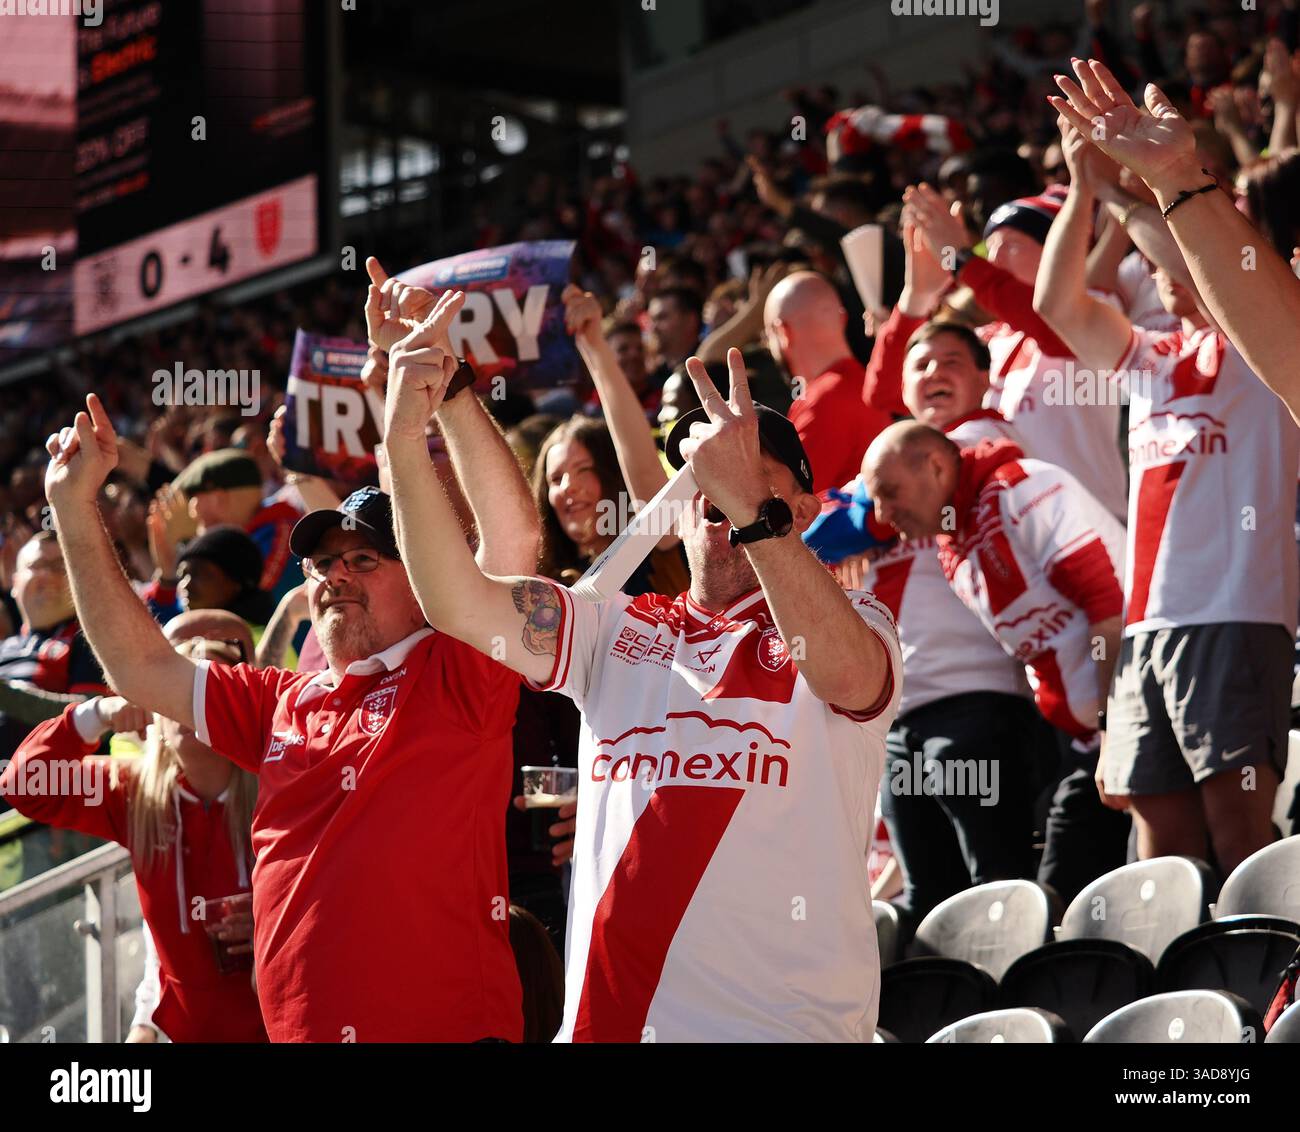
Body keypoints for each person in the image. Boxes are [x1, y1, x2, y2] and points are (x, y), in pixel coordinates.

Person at [40, 265, 538, 1041]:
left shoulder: (459, 669)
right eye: (323, 562)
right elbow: (140, 668)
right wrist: (74, 511)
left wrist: (451, 385)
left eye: (364, 560)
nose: (335, 575)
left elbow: (513, 544)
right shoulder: (280, 701)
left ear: (429, 579)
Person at [384, 316, 901, 1042]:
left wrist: (752, 506)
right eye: (704, 477)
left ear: (808, 508)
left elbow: (849, 677)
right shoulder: (616, 629)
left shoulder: (856, 618)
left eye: (748, 467)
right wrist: (419, 424)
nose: (718, 487)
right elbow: (458, 600)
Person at [1032, 97, 1297, 873]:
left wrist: (1129, 190)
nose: (1157, 276)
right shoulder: (1151, 356)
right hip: (1150, 627)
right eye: (1147, 269)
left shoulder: (1262, 333)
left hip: (1236, 610)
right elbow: (1057, 306)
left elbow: (1198, 260)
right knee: (1159, 854)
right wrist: (1084, 187)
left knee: (1240, 832)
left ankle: (1270, 981)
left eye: (1160, 262)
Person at [814, 313, 1048, 924]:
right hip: (902, 719)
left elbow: (846, 522)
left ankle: (1013, 1019)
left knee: (994, 895)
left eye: (951, 361)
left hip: (981, 703)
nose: (934, 372)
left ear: (983, 377)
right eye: (920, 364)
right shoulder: (893, 464)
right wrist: (866, 507)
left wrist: (866, 507)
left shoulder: (992, 443)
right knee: (929, 903)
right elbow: (816, 535)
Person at [863, 422, 1129, 904]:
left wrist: (1113, 736)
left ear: (936, 465)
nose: (882, 515)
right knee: (1044, 900)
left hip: (1126, 725)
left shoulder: (1021, 489)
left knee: (1049, 902)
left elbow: (1109, 612)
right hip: (1082, 742)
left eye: (889, 493)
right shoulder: (953, 551)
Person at [0, 610, 264, 1042]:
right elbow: (24, 784)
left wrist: (272, 926)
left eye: (205, 691)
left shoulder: (283, 784)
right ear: (153, 712)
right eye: (174, 691)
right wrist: (99, 714)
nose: (188, 707)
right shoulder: (132, 791)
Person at [1048, 58, 1300, 424]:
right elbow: (1059, 309)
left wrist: (1162, 181)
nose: (1157, 263)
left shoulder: (1247, 320)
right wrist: (1157, 177)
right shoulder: (1152, 354)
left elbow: (1188, 269)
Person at [764, 271, 891, 495]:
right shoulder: (871, 387)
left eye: (768, 337)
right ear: (842, 319)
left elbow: (789, 506)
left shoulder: (820, 402)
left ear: (783, 332)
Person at [171, 448, 302, 602]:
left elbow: (225, 602)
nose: (192, 511)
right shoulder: (263, 533)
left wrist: (180, 548)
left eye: (194, 498)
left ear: (219, 499)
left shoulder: (276, 536)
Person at [142, 525, 274, 630]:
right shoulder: (187, 636)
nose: (186, 584)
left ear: (235, 583)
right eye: (181, 575)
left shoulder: (263, 640)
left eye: (200, 573)